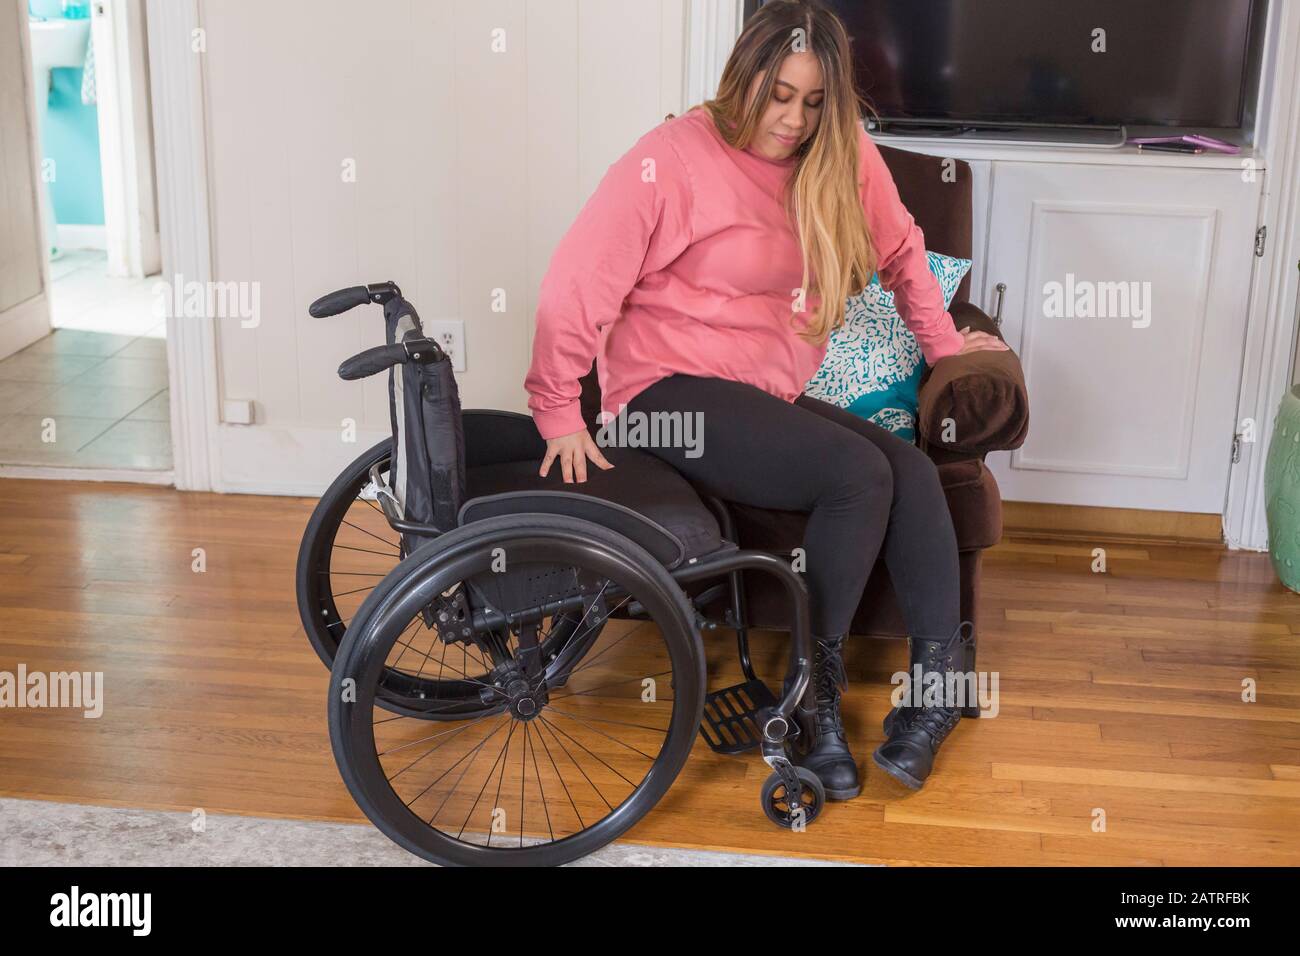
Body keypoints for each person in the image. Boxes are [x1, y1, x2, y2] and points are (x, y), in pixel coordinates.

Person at [523, 0, 1008, 795]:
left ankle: (937, 696)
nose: (793, 119)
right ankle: (809, 702)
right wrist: (555, 407)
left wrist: (949, 357)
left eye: (814, 102)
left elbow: (904, 258)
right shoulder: (671, 157)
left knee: (910, 471)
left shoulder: (840, 153)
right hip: (662, 396)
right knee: (858, 476)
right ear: (744, 76)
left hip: (757, 395)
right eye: (779, 94)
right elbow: (579, 281)